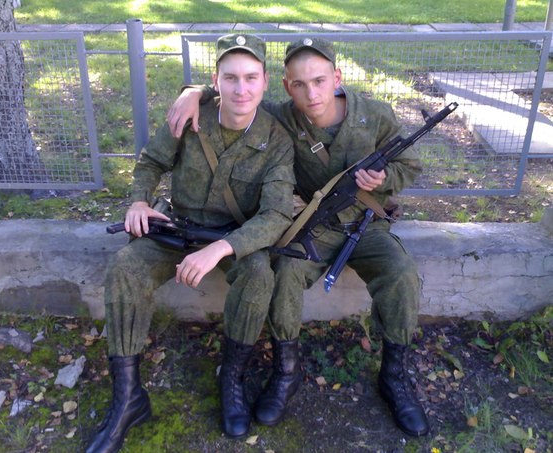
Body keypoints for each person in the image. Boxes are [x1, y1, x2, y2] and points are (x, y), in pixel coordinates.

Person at [168, 37, 430, 437]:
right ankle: (286, 371)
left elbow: (409, 165)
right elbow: (238, 94)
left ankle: (394, 376)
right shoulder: (282, 118)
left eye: (320, 81)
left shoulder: (375, 115)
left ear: (336, 77)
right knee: (285, 274)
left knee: (401, 275)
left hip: (366, 225)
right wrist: (194, 92)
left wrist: (383, 178)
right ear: (286, 86)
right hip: (315, 228)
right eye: (300, 85)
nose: (312, 93)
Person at [86, 34, 296, 452]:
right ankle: (128, 398)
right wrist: (139, 201)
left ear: (265, 82)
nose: (241, 89)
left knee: (259, 275)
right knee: (126, 267)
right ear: (215, 81)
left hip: (232, 238)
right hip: (176, 229)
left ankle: (231, 379)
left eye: (251, 78)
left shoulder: (277, 140)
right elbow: (151, 162)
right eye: (230, 78)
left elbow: (275, 215)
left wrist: (219, 249)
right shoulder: (192, 114)